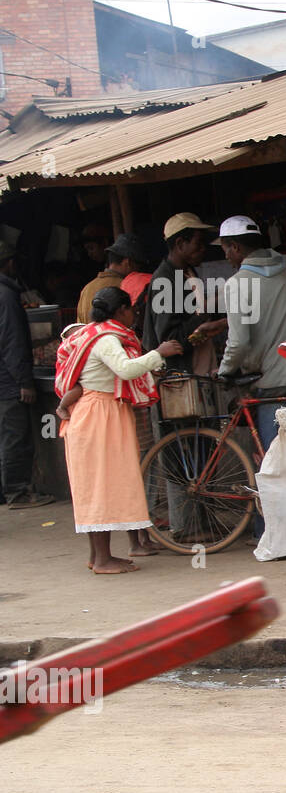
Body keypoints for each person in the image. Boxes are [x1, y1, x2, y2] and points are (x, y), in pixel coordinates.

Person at [59, 286, 181, 573]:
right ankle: (102, 559)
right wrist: (158, 353)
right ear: (120, 311)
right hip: (99, 415)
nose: (134, 315)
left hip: (92, 414)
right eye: (131, 310)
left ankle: (97, 556)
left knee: (96, 485)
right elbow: (126, 369)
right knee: (103, 486)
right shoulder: (107, 339)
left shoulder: (91, 332)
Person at [214, 215, 286, 449]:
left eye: (226, 250)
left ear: (235, 247)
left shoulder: (236, 284)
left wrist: (225, 370)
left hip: (273, 377)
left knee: (277, 456)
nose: (225, 256)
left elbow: (239, 342)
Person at [0, 243, 55, 509]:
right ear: (9, 264)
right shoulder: (6, 295)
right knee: (15, 438)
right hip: (9, 381)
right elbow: (12, 342)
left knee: (7, 437)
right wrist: (24, 381)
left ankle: (9, 490)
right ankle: (18, 492)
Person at [143, 212, 226, 373]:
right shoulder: (164, 281)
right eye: (198, 243)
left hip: (201, 369)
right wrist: (206, 312)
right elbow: (171, 342)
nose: (203, 249)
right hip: (182, 376)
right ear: (180, 244)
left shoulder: (188, 272)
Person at [76, 233, 150, 324]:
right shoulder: (127, 287)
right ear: (128, 262)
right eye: (138, 266)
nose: (139, 272)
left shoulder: (86, 289)